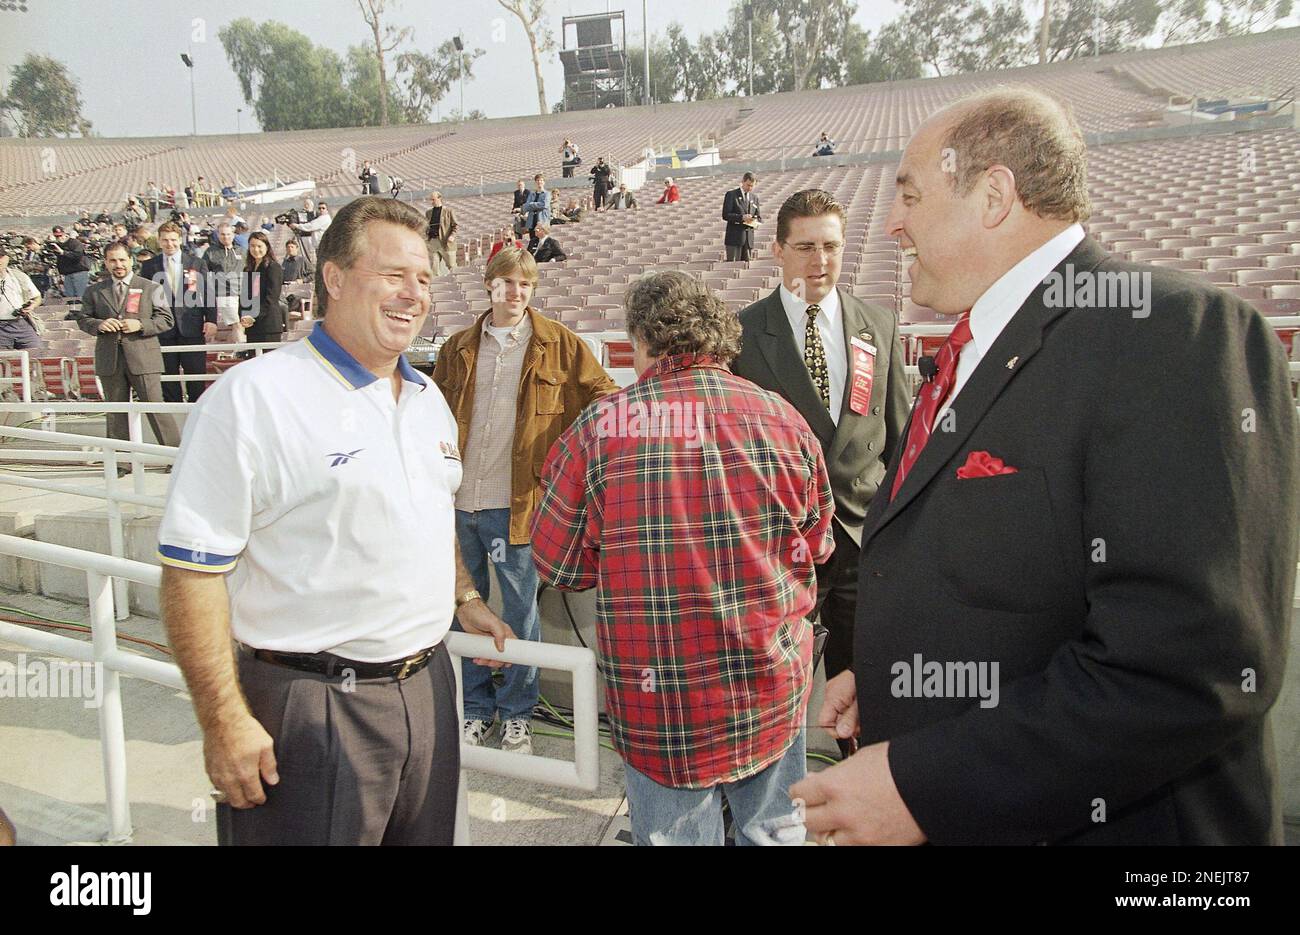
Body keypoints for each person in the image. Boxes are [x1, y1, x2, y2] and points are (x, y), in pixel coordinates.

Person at [791, 88, 1300, 847]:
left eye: (910, 195)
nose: (892, 223)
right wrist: (910, 682)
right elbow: (1011, 587)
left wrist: (924, 783)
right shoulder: (962, 360)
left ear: (993, 195)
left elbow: (1184, 669)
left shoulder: (1174, 336)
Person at [157, 196, 514, 846]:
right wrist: (223, 718)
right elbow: (190, 572)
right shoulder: (252, 398)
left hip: (428, 690)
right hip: (310, 704)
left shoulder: (431, 398)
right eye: (394, 274)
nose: (414, 294)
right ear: (335, 278)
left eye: (425, 278)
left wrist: (463, 595)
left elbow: (430, 511)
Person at [532, 270, 835, 845]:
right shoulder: (783, 418)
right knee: (774, 833)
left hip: (659, 700)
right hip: (769, 682)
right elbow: (818, 542)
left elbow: (558, 565)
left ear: (643, 341)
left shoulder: (600, 428)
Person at [433, 246, 617, 755]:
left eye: (526, 285)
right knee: (460, 608)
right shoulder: (457, 347)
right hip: (456, 502)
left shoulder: (559, 344)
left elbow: (602, 397)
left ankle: (517, 714)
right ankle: (474, 709)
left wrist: (564, 462)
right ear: (489, 286)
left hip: (517, 505)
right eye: (507, 283)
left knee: (520, 615)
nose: (516, 293)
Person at [732, 189, 910, 682]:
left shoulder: (879, 325)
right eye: (807, 247)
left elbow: (899, 438)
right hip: (778, 546)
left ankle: (853, 760)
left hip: (859, 538)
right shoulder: (740, 334)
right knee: (776, 688)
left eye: (831, 246)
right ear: (778, 250)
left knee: (860, 688)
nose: (821, 260)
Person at [73, 241, 180, 451]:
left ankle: (173, 453)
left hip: (143, 357)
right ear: (105, 262)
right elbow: (83, 319)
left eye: (122, 259)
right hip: (110, 359)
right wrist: (99, 324)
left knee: (156, 408)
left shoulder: (152, 287)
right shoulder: (94, 291)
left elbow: (166, 319)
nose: (118, 264)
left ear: (131, 260)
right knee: (116, 412)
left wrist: (140, 324)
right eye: (112, 260)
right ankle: (121, 460)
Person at [142, 221, 215, 403]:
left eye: (173, 239)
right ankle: (174, 421)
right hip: (162, 330)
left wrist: (211, 319)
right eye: (165, 240)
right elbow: (145, 299)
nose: (169, 244)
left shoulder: (196, 263)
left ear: (180, 239)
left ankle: (197, 417)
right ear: (158, 241)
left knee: (196, 378)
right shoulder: (149, 266)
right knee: (168, 380)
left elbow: (208, 293)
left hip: (192, 328)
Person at [239, 231, 285, 347]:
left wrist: (253, 316)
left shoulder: (273, 267)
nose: (256, 249)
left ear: (266, 247)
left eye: (259, 246)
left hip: (268, 324)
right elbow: (244, 296)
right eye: (252, 246)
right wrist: (243, 315)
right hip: (252, 326)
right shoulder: (247, 269)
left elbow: (272, 297)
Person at [0, 250, 43, 352]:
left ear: (7, 258)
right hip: (1, 326)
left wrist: (31, 306)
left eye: (1, 257)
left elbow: (37, 297)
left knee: (36, 354)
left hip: (21, 321)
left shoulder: (19, 276)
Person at [722, 172, 762, 262]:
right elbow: (725, 214)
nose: (750, 188)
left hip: (748, 240)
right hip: (734, 239)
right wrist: (741, 218)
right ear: (742, 182)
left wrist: (753, 221)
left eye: (752, 186)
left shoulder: (754, 198)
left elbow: (759, 218)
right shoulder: (732, 195)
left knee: (747, 267)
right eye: (748, 185)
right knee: (733, 266)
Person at [51, 226, 92, 298]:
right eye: (56, 236)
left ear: (64, 234)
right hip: (67, 273)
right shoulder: (58, 245)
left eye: (60, 235)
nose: (59, 238)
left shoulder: (74, 242)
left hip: (79, 271)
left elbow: (77, 256)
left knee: (80, 296)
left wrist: (63, 252)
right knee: (70, 297)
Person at [424, 191, 459, 277]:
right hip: (433, 242)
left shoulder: (449, 211)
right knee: (434, 267)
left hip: (446, 241)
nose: (431, 201)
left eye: (433, 199)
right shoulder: (428, 212)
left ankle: (457, 281)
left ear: (439, 198)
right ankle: (436, 285)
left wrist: (452, 236)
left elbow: (455, 226)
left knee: (452, 265)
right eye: (430, 200)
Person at [293, 201, 332, 268]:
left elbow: (311, 226)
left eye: (323, 208)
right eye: (319, 208)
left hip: (322, 246)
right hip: (319, 246)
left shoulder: (324, 218)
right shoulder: (320, 218)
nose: (321, 210)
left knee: (322, 264)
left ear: (327, 210)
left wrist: (296, 225)